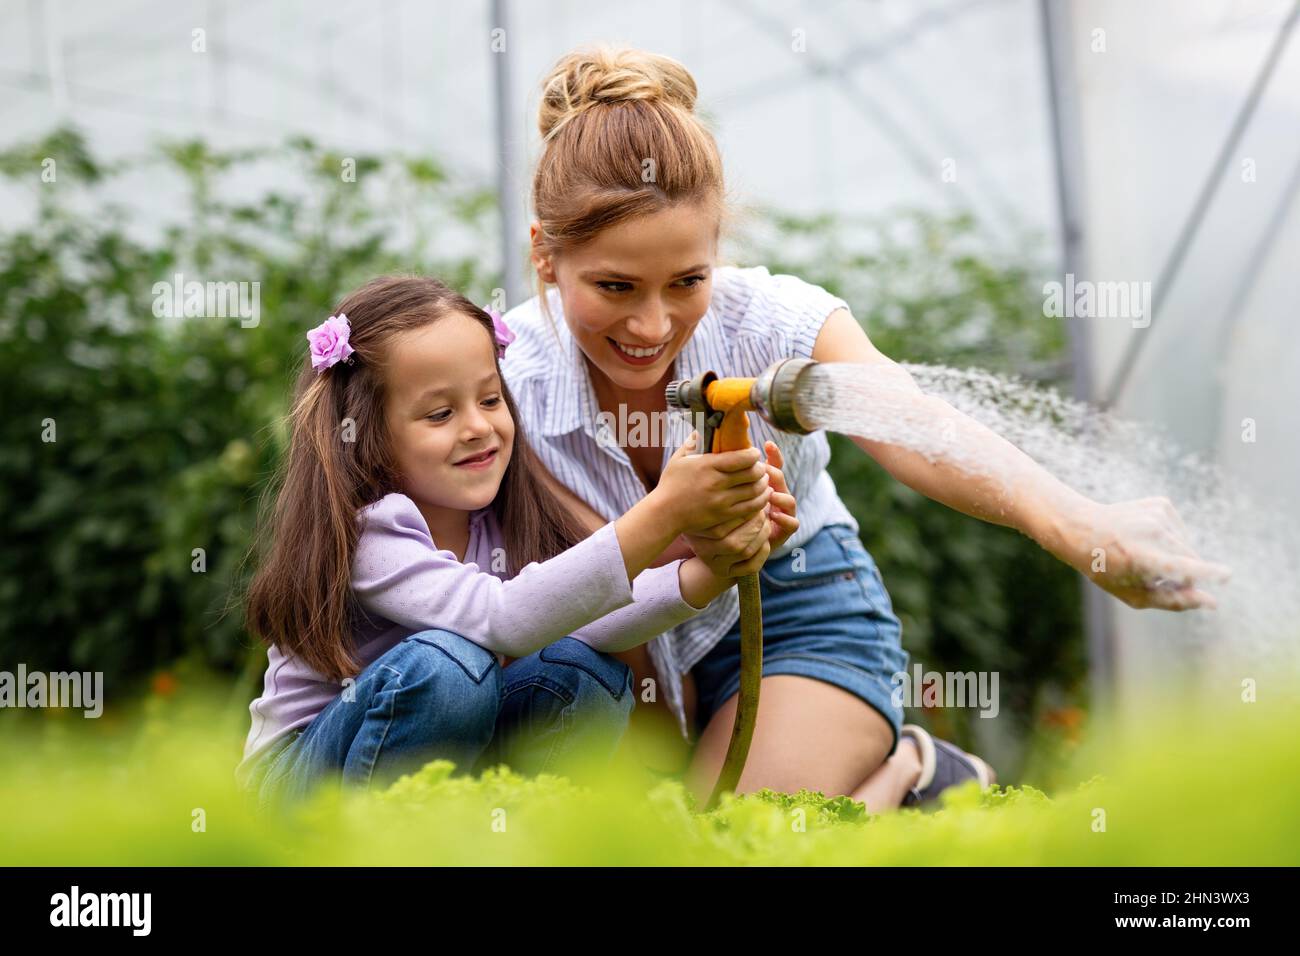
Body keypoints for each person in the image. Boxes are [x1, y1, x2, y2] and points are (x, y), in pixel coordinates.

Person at [500, 46, 1228, 811]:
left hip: (797, 604)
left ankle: (889, 768)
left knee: (738, 842)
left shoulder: (775, 322)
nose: (653, 325)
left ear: (718, 250)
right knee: (654, 846)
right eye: (615, 286)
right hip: (625, 636)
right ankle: (910, 780)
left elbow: (922, 429)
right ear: (545, 256)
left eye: (688, 281)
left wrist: (1085, 529)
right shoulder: (510, 380)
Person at [235, 274, 797, 812]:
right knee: (448, 667)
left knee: (582, 672)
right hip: (299, 790)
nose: (479, 426)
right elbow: (505, 619)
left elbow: (571, 621)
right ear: (368, 436)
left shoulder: (495, 522)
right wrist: (665, 510)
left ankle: (510, 843)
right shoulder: (371, 532)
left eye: (489, 399)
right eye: (439, 413)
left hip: (429, 764)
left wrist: (712, 570)